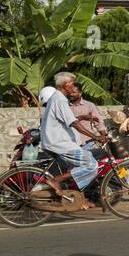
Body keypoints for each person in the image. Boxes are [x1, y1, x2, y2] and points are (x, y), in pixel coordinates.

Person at [39, 72, 98, 209]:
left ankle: (79, 200)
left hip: (57, 143)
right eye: (71, 83)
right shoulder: (60, 100)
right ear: (65, 85)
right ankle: (55, 180)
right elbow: (73, 123)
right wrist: (95, 137)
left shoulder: (58, 99)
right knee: (91, 165)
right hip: (60, 144)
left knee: (75, 170)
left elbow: (71, 120)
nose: (73, 85)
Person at [66, 82, 109, 157]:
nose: (71, 94)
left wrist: (103, 135)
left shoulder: (89, 105)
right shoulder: (65, 106)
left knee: (89, 164)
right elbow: (70, 122)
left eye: (74, 92)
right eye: (69, 92)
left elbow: (98, 122)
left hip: (87, 142)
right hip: (71, 143)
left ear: (80, 93)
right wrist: (82, 117)